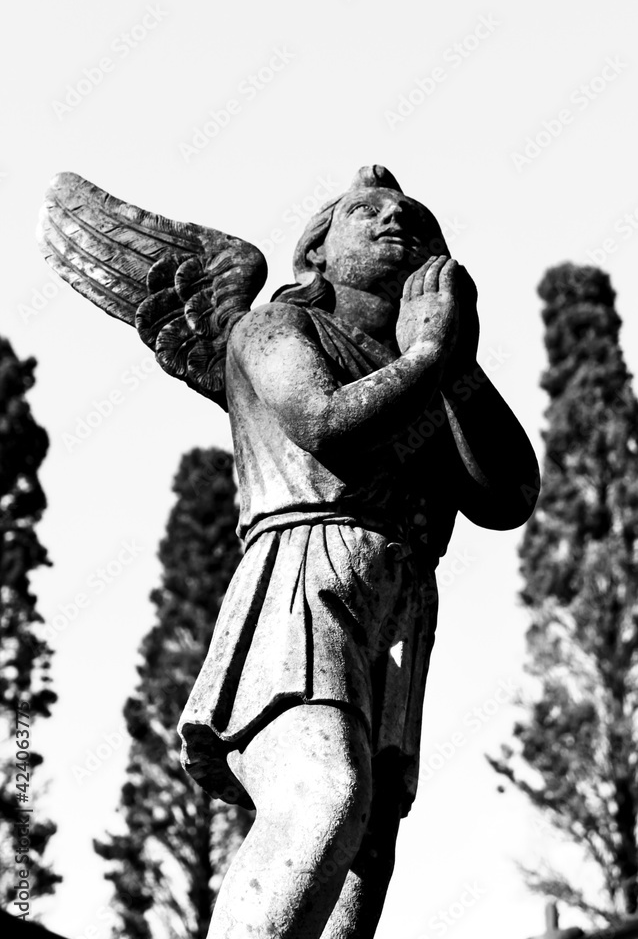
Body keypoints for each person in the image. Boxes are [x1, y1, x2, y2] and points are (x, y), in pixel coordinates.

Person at [176, 165, 540, 939]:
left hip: (400, 609)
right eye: (365, 212)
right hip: (305, 582)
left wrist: (457, 368)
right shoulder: (276, 328)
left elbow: (507, 496)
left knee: (362, 861)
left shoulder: (434, 374)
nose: (394, 221)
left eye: (414, 218)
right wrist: (424, 361)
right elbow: (328, 425)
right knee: (322, 797)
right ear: (316, 254)